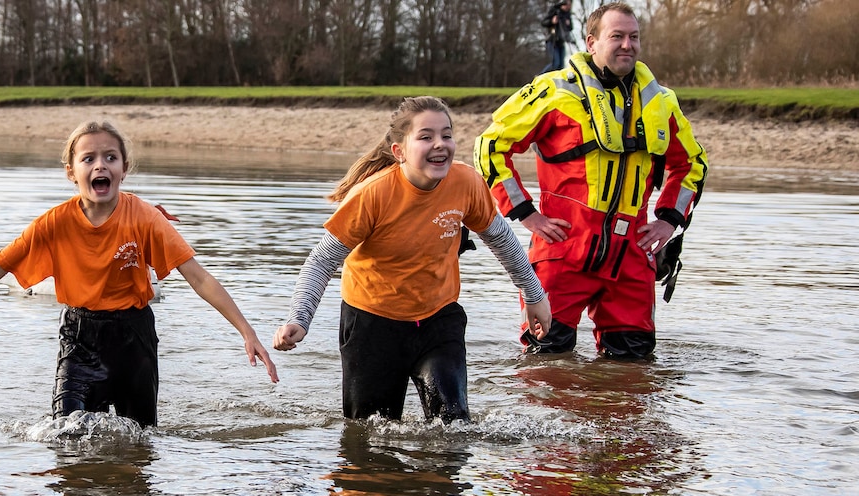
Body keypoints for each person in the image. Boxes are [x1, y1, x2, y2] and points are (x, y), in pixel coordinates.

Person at [0, 120, 279, 427]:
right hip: (79, 339)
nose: (100, 165)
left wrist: (247, 332)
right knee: (65, 437)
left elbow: (198, 277)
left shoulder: (144, 218)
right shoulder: (53, 223)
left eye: (110, 157)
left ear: (124, 170)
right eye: (88, 158)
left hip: (134, 342)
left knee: (139, 444)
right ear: (71, 172)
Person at [272, 96, 551, 424]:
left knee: (454, 426)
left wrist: (535, 296)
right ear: (399, 151)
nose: (440, 145)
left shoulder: (466, 182)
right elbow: (322, 261)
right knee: (371, 436)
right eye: (426, 137)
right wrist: (299, 319)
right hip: (372, 324)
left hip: (438, 320)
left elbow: (503, 240)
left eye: (447, 135)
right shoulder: (373, 194)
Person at [475, 2, 708, 360]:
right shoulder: (554, 91)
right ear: (591, 42)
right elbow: (491, 146)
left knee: (633, 374)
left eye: (634, 37)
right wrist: (526, 213)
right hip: (563, 249)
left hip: (632, 255)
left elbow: (692, 163)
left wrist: (668, 221)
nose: (627, 45)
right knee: (545, 369)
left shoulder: (661, 101)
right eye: (617, 36)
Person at [542, 0, 576, 73]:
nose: (568, 6)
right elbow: (543, 22)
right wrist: (552, 21)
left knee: (560, 65)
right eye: (567, 4)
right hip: (552, 40)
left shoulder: (567, 14)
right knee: (555, 63)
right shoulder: (554, 10)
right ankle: (539, 77)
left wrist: (568, 24)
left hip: (561, 42)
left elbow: (570, 28)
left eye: (569, 4)